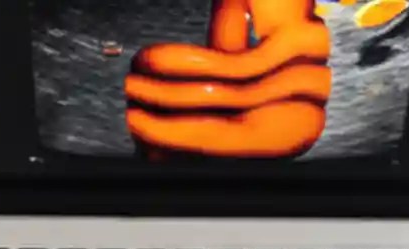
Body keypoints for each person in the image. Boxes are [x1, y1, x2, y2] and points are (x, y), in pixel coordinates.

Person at [125, 0, 332, 158]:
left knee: (149, 126)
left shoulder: (306, 35)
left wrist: (140, 89)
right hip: (241, 102)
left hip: (287, 125)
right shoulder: (234, 8)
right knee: (155, 60)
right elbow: (229, 64)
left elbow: (241, 74)